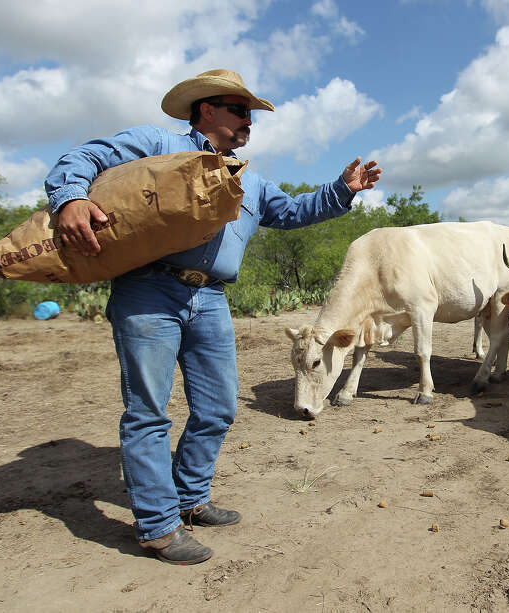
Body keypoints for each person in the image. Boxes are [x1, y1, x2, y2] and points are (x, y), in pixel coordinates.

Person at [44, 69, 381, 565]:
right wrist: (70, 196)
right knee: (147, 413)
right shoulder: (156, 144)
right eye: (240, 110)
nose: (249, 121)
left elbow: (291, 212)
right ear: (206, 110)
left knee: (218, 408)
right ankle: (158, 527)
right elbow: (84, 156)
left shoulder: (250, 179)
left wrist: (342, 189)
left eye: (250, 114)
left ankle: (189, 498)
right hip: (148, 292)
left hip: (210, 300)